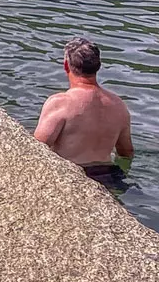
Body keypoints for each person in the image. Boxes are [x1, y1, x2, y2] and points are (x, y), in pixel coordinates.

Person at [34, 37, 134, 185]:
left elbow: (36, 148)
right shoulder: (119, 105)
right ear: (98, 66)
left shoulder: (60, 103)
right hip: (110, 176)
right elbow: (126, 152)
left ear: (66, 65)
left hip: (74, 175)